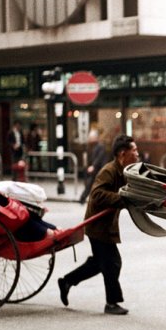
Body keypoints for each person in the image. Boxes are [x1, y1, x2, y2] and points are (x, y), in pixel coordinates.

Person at [57, 134, 139, 315]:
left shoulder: (124, 170)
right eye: (134, 150)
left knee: (99, 263)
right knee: (112, 263)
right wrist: (122, 199)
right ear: (122, 153)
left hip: (107, 225)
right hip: (98, 226)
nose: (137, 154)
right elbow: (97, 194)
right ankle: (111, 303)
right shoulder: (109, 171)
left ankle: (67, 281)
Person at [79, 129, 107, 204]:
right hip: (95, 170)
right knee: (90, 184)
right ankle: (83, 198)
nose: (90, 138)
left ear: (95, 137)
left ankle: (83, 198)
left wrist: (93, 166)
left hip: (99, 170)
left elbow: (99, 158)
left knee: (92, 185)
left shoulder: (100, 146)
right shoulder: (92, 146)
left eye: (91, 137)